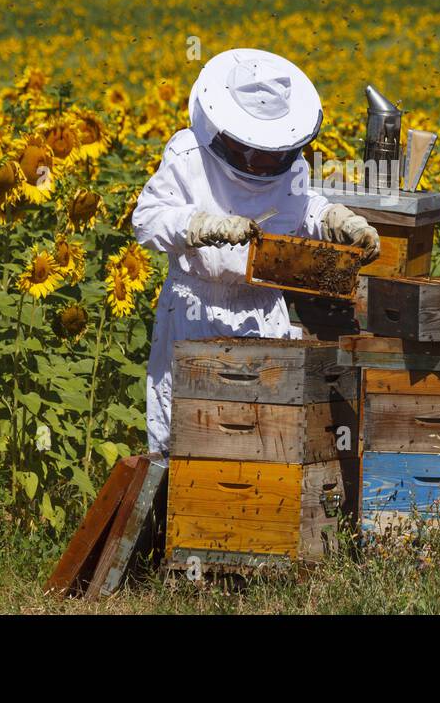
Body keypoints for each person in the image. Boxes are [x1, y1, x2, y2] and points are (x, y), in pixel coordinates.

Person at [132, 49, 380, 456]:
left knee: (264, 433)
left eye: (274, 152)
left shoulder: (291, 166)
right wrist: (198, 225)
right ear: (228, 136)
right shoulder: (188, 155)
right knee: (187, 433)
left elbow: (301, 208)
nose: (266, 162)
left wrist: (336, 219)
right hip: (197, 307)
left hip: (264, 308)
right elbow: (147, 221)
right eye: (256, 151)